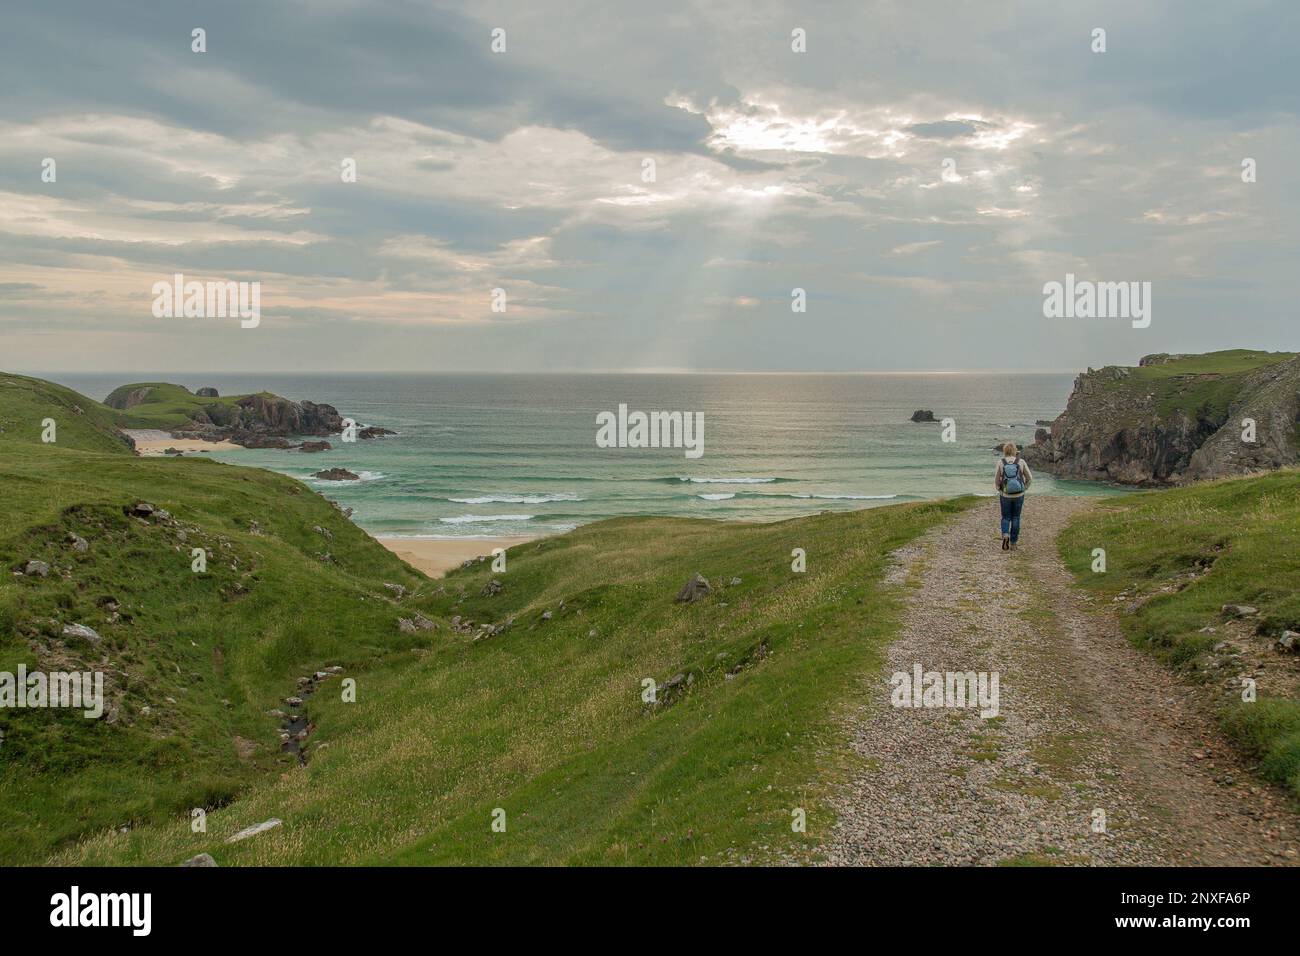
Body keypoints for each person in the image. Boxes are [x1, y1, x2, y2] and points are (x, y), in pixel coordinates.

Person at [995, 442, 1032, 551]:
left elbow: (997, 481)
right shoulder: (1021, 462)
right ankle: (1013, 543)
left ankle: (1005, 535)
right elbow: (1029, 478)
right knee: (1016, 517)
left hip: (1005, 495)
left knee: (1006, 517)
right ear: (1015, 451)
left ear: (1005, 451)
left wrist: (1000, 490)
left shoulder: (1001, 463)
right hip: (1019, 494)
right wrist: (1024, 489)